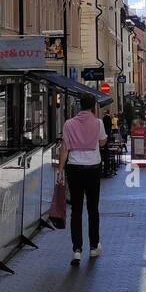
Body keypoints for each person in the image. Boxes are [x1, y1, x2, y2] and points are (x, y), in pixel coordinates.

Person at [58, 93, 108, 265]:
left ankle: (77, 249)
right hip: (93, 168)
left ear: (79, 105)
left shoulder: (69, 124)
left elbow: (65, 148)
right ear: (93, 106)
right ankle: (94, 246)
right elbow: (102, 143)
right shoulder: (98, 123)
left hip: (74, 169)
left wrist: (60, 169)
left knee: (76, 210)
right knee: (93, 209)